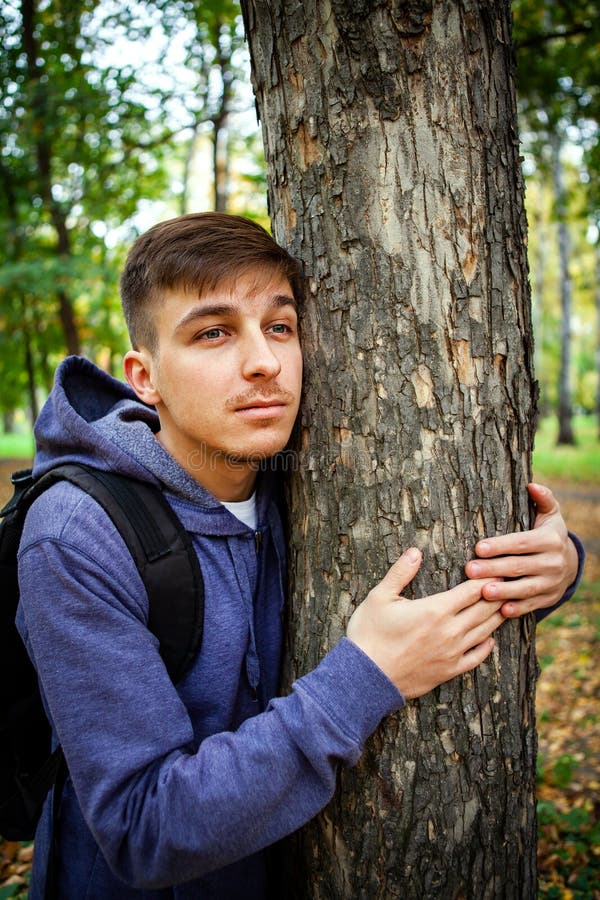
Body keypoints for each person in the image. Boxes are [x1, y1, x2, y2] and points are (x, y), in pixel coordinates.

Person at [17, 212, 584, 899]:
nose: (263, 361)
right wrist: (361, 680)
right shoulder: (79, 534)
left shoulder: (310, 484)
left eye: (279, 326)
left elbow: (435, 616)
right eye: (213, 332)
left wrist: (551, 568)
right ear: (146, 376)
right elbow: (140, 828)